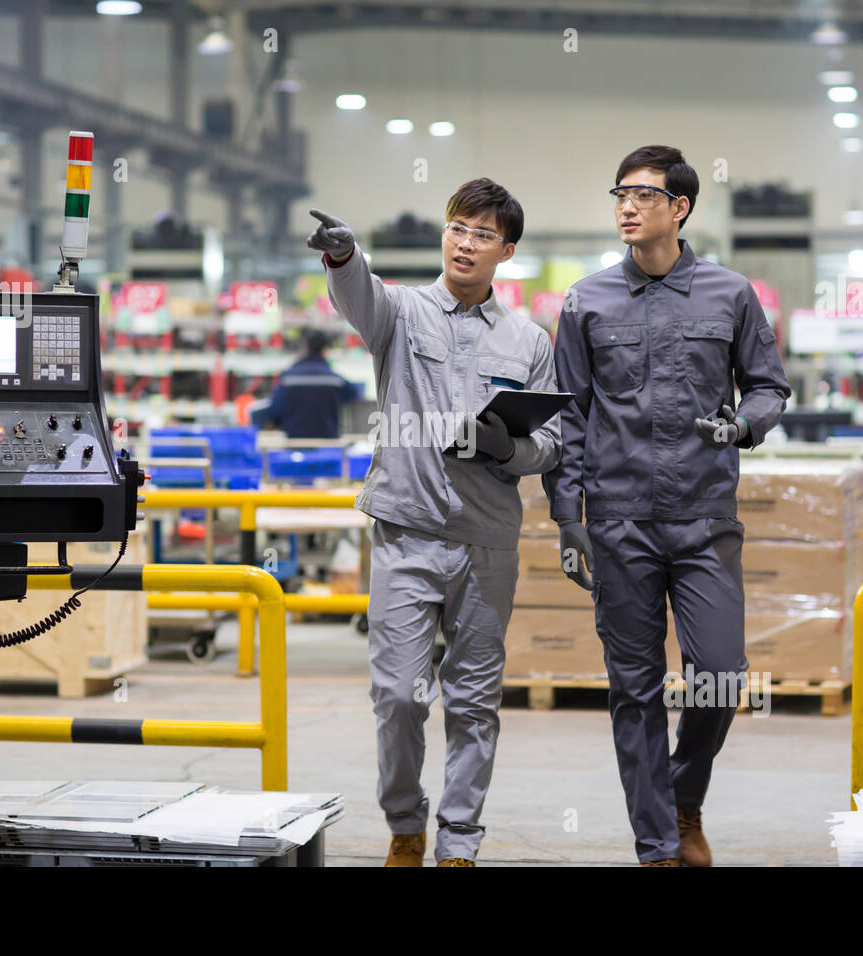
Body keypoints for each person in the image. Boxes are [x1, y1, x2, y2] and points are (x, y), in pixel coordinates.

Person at [544, 145, 791, 866]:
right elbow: (571, 419)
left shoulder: (730, 293)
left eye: (644, 195)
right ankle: (657, 845)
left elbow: (770, 386)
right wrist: (569, 520)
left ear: (679, 208)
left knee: (720, 675)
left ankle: (684, 799)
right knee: (635, 690)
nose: (627, 205)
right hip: (619, 523)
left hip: (705, 520)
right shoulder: (586, 301)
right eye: (619, 193)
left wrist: (746, 424)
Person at [306, 179, 561, 867]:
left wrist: (510, 447)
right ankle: (405, 822)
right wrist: (344, 257)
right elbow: (361, 299)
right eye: (457, 228)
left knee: (474, 702)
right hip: (407, 533)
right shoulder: (403, 312)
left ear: (506, 251)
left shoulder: (529, 341)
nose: (465, 243)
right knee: (397, 695)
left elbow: (554, 443)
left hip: (487, 543)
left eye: (482, 234)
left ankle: (458, 842)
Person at [254, 329, 362, 439]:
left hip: (293, 447)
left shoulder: (287, 378)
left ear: (305, 349)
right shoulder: (334, 380)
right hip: (328, 445)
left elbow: (274, 411)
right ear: (325, 350)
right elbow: (356, 394)